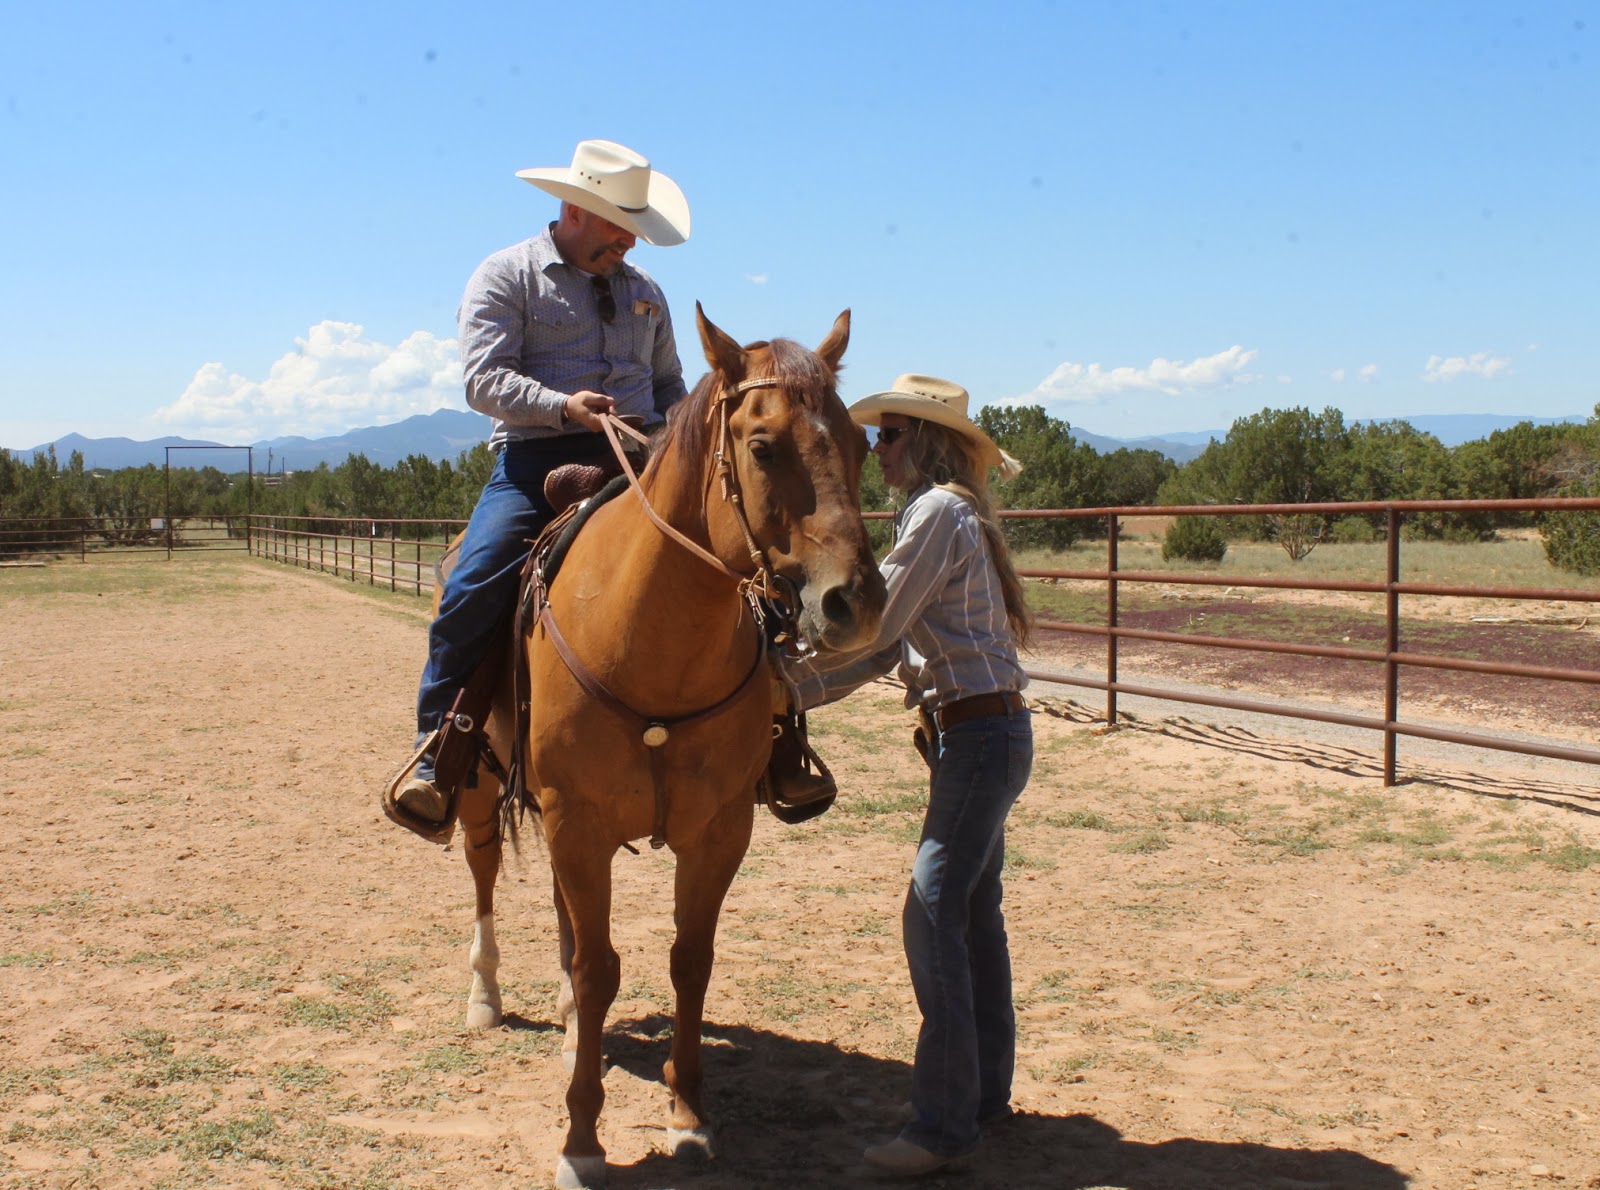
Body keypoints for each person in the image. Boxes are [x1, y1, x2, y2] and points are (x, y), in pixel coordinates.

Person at [390, 139, 692, 831]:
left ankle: (773, 740)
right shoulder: (507, 275)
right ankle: (439, 749)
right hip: (538, 462)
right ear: (573, 209)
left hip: (641, 462)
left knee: (739, 566)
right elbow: (483, 379)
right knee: (472, 585)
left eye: (632, 230)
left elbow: (671, 384)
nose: (626, 242)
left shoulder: (647, 292)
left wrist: (684, 431)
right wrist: (564, 405)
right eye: (617, 226)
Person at [785, 374, 1033, 1176]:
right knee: (971, 917)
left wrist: (772, 677)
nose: (875, 450)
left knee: (932, 917)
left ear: (918, 442)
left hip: (977, 734)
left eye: (885, 437)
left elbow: (873, 626)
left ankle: (940, 1130)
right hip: (987, 731)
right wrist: (789, 696)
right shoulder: (950, 513)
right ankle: (982, 1098)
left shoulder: (933, 514)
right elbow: (886, 649)